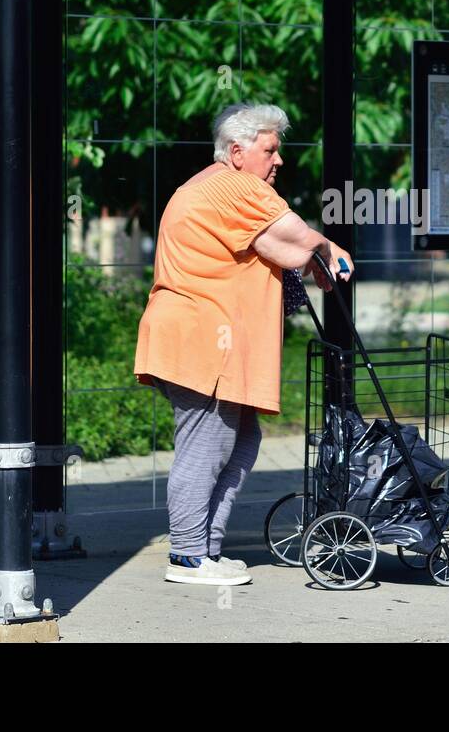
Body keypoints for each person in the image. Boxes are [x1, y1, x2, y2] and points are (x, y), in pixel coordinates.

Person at [134, 103, 352, 586]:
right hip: (200, 339)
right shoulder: (235, 185)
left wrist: (311, 260)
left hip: (205, 339)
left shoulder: (217, 190)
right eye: (270, 150)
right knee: (206, 445)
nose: (278, 161)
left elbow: (275, 249)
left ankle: (205, 548)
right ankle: (188, 556)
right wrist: (330, 250)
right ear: (237, 152)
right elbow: (296, 235)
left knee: (240, 438)